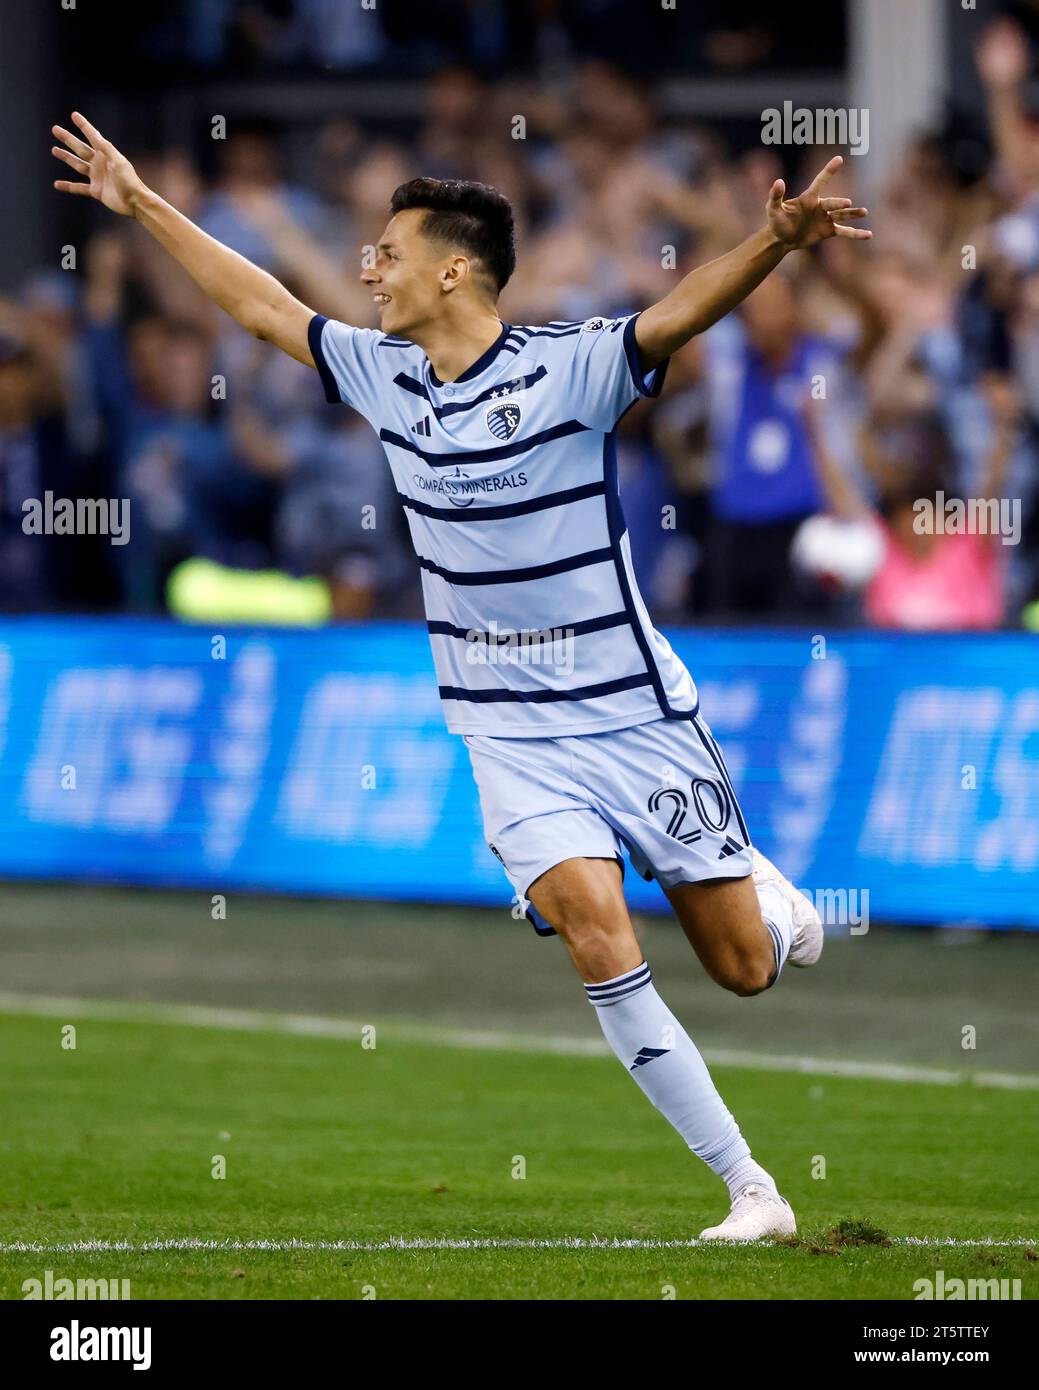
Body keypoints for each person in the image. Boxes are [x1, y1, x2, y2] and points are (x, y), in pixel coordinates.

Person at [52, 110, 871, 1240]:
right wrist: (141, 204)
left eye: (387, 253)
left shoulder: (572, 366)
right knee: (594, 928)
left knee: (739, 968)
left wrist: (773, 243)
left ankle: (774, 911)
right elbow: (257, 305)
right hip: (503, 727)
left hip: (631, 712)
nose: (368, 270)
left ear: (453, 268)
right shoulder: (384, 376)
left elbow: (682, 310)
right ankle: (752, 1189)